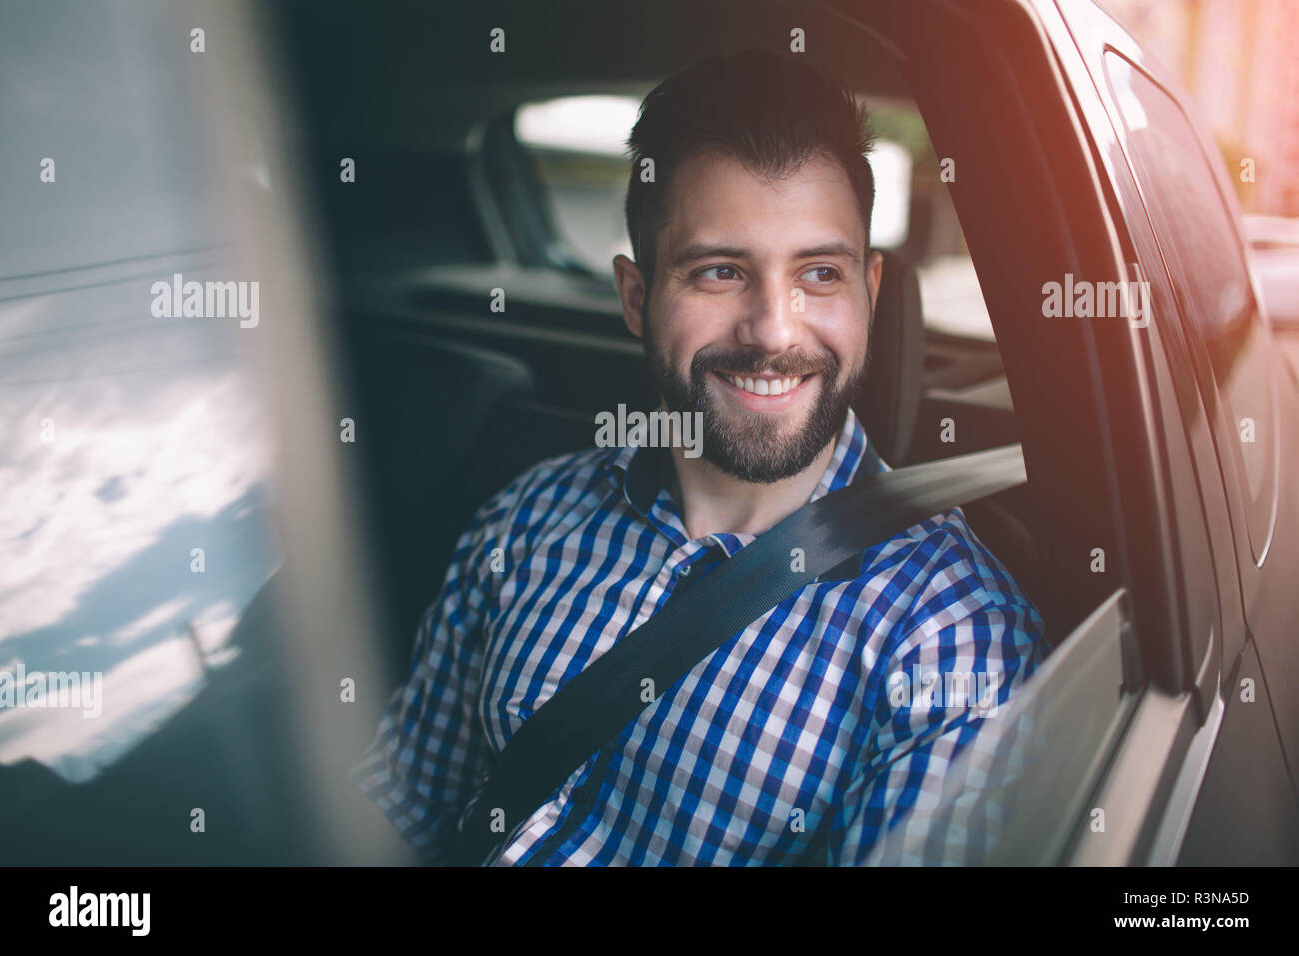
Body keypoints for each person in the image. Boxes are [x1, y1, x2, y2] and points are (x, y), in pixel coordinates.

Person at [352, 49, 1045, 865]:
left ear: (871, 292)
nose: (774, 332)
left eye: (820, 273)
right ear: (636, 297)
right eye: (719, 272)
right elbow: (396, 810)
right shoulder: (527, 516)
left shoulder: (945, 635)